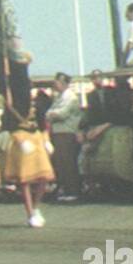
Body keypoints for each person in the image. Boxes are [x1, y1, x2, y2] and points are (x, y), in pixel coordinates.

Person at [1, 56, 56, 227]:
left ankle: (36, 206)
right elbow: (8, 125)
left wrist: (46, 140)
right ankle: (29, 212)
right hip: (21, 138)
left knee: (45, 176)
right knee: (25, 180)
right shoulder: (12, 105)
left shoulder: (37, 103)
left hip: (36, 138)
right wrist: (19, 140)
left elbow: (43, 123)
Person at [46, 72, 82, 201]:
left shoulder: (71, 97)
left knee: (68, 162)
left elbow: (62, 114)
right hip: (57, 132)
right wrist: (51, 114)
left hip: (67, 132)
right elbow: (48, 113)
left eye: (58, 82)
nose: (56, 84)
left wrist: (52, 114)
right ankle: (66, 190)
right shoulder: (58, 97)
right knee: (60, 163)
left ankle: (73, 191)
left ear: (65, 83)